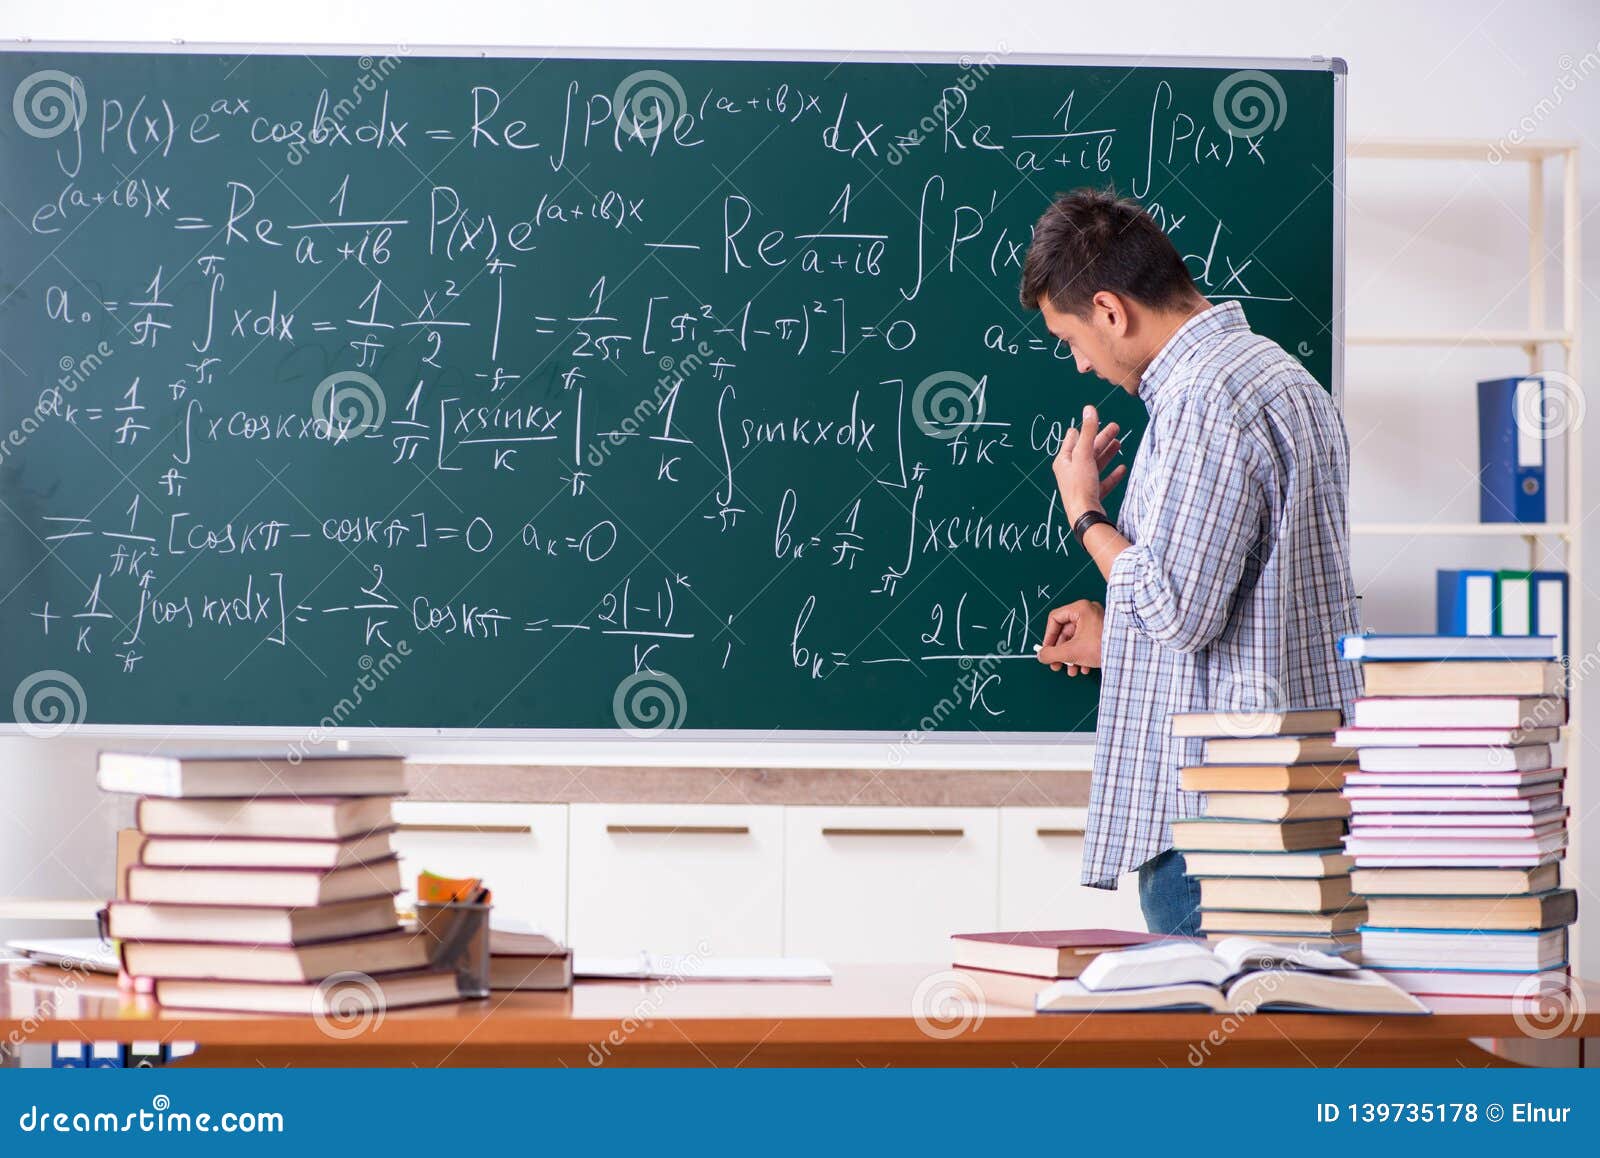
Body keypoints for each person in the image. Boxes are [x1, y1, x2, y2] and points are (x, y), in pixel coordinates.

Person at [1021, 188, 1361, 937]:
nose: (1080, 364)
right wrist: (1119, 634)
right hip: (1293, 802)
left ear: (1110, 311)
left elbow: (1178, 613)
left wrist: (1086, 512)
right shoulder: (1278, 375)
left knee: (1207, 1011)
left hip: (1218, 829)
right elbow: (1255, 610)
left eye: (1071, 339)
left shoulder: (1203, 400)